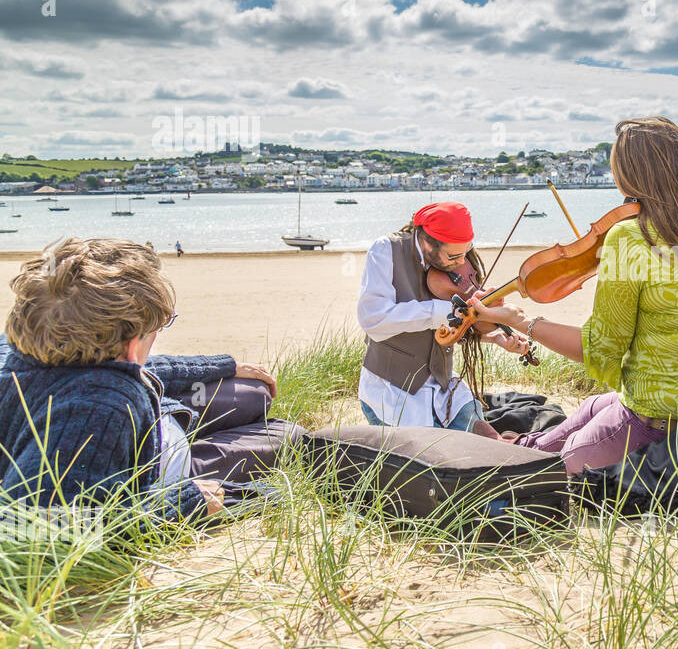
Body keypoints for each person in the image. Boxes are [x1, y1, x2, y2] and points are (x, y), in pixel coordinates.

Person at [470, 116, 678, 477]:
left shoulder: (630, 237)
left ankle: (519, 455)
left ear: (629, 176)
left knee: (556, 465)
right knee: (591, 407)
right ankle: (521, 446)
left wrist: (518, 320)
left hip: (665, 418)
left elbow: (599, 349)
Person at [0, 237, 292, 521]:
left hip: (154, 423)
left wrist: (223, 366)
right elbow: (47, 522)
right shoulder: (97, 408)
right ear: (130, 346)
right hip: (165, 468)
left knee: (253, 393)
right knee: (284, 435)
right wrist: (183, 501)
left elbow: (143, 369)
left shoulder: (23, 351)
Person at [356, 202, 529, 434]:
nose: (460, 263)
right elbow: (373, 320)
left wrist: (495, 337)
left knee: (487, 436)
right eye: (453, 256)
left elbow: (446, 333)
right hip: (393, 392)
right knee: (434, 457)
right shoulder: (386, 250)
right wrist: (443, 311)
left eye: (465, 253)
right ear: (427, 242)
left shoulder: (457, 262)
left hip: (443, 385)